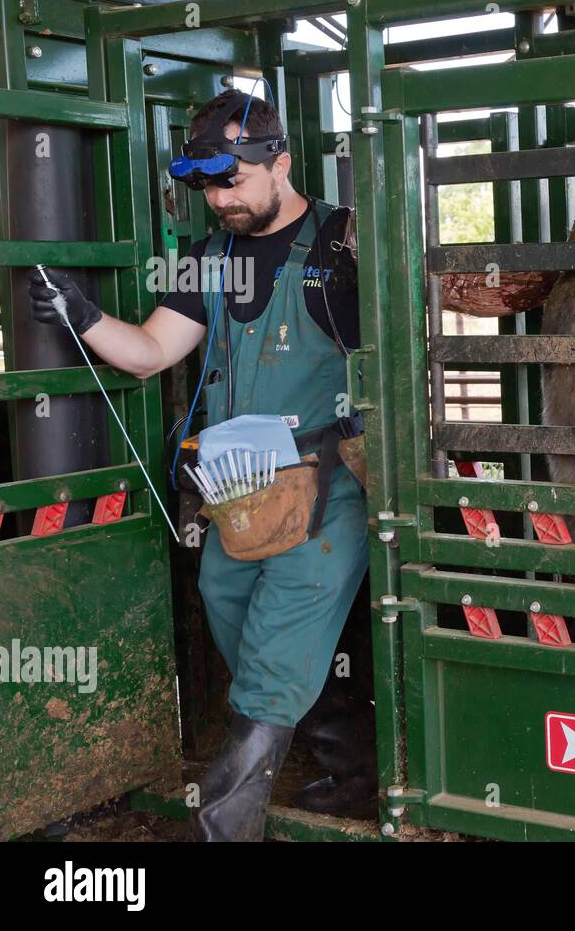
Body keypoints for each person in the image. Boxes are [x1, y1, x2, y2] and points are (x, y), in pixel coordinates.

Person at [28, 90, 374, 840]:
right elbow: (152, 353)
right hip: (239, 494)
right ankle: (352, 772)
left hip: (325, 488)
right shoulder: (209, 260)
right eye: (208, 186)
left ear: (280, 161)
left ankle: (221, 826)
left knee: (277, 656)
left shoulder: (343, 251)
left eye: (234, 180)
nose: (220, 199)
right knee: (231, 609)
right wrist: (82, 316)